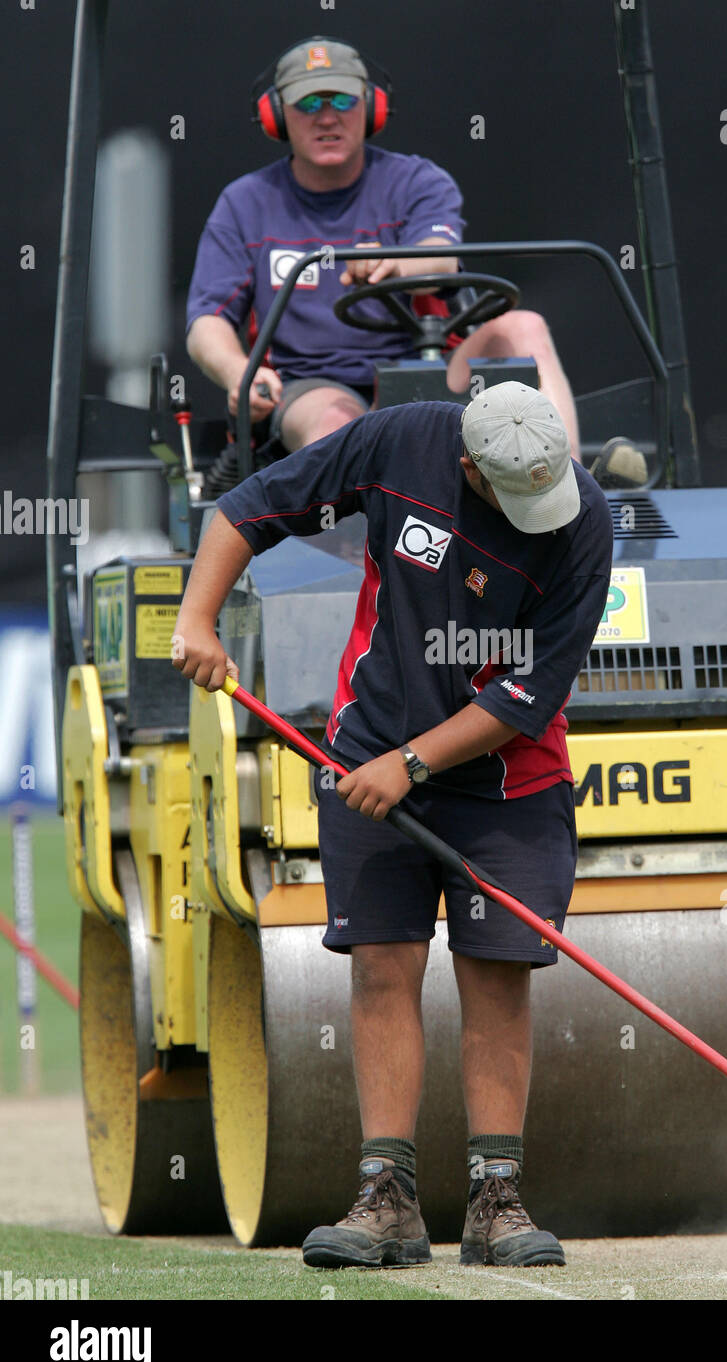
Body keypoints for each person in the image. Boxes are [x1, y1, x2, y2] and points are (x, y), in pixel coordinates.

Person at [172, 381, 614, 1267]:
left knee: (496, 976)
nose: (540, 512)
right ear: (467, 468)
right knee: (382, 967)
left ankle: (498, 1200)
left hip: (507, 781)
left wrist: (412, 765)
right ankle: (389, 1199)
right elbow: (249, 508)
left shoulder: (585, 524)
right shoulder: (399, 442)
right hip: (366, 751)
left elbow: (528, 694)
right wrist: (197, 617)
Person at [185, 36, 582, 456]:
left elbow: (441, 258)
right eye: (307, 104)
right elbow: (206, 320)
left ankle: (570, 488)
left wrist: (398, 266)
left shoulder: (417, 181)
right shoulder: (244, 202)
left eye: (342, 102)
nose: (326, 119)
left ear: (371, 108)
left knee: (526, 326)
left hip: (429, 370)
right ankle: (353, 517)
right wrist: (237, 374)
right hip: (308, 385)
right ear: (277, 116)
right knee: (334, 424)